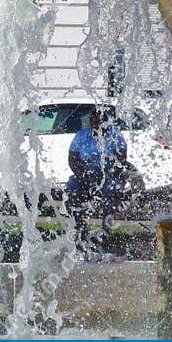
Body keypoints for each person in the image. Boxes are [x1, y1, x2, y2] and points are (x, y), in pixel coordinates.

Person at [66, 106, 130, 247]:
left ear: (105, 120)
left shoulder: (115, 135)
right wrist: (84, 176)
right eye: (92, 119)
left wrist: (109, 175)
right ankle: (79, 226)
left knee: (113, 187)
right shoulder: (81, 136)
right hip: (87, 174)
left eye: (98, 119)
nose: (95, 122)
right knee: (72, 186)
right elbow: (72, 160)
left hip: (110, 174)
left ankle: (107, 228)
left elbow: (121, 159)